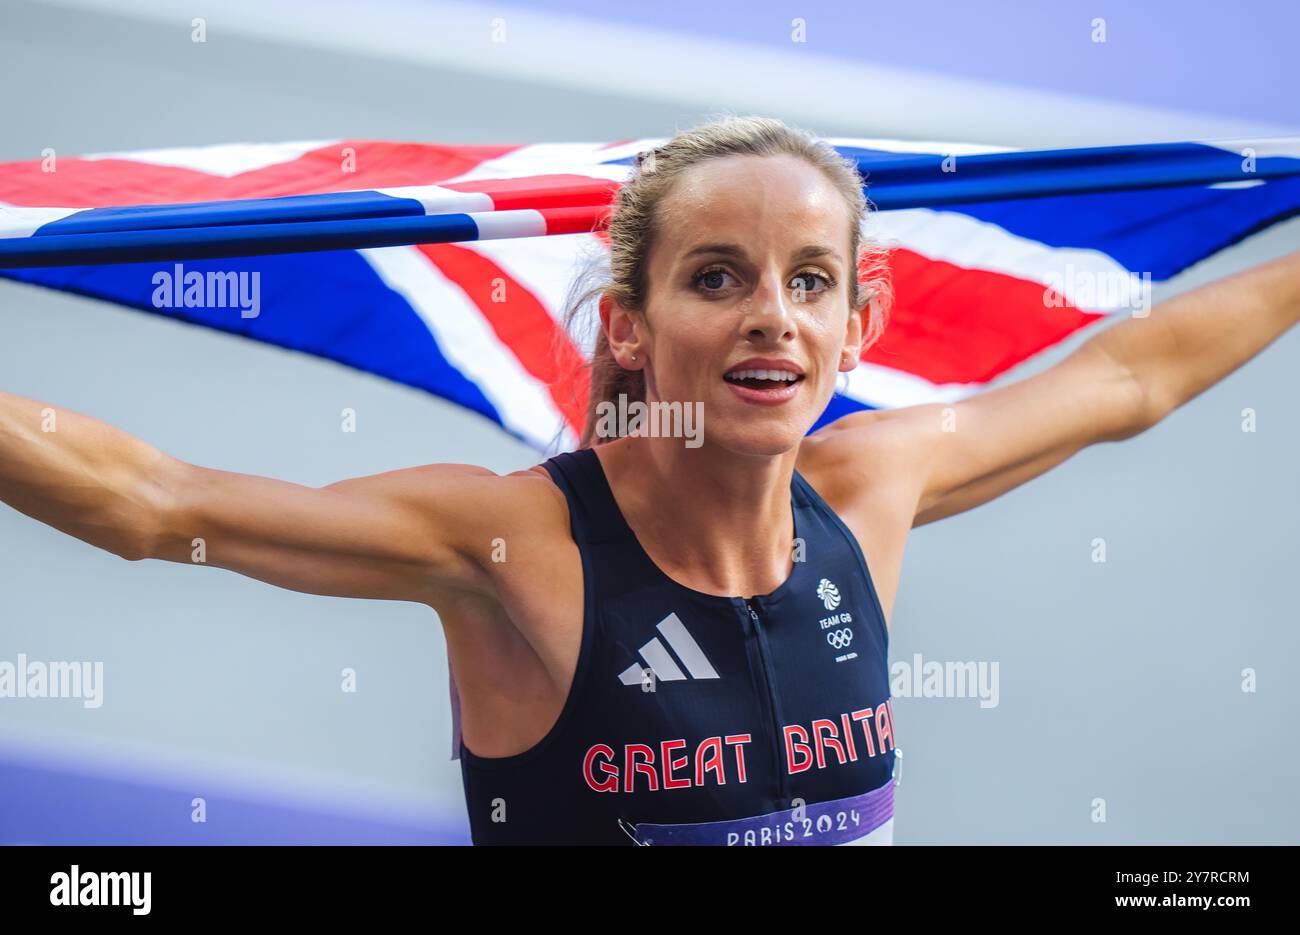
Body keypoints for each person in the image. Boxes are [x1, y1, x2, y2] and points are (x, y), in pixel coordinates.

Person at [2, 116, 1297, 845]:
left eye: (809, 281)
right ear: (630, 323)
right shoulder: (511, 544)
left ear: (860, 325)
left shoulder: (871, 493)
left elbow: (1136, 379)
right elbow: (154, 504)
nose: (771, 320)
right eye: (717, 277)